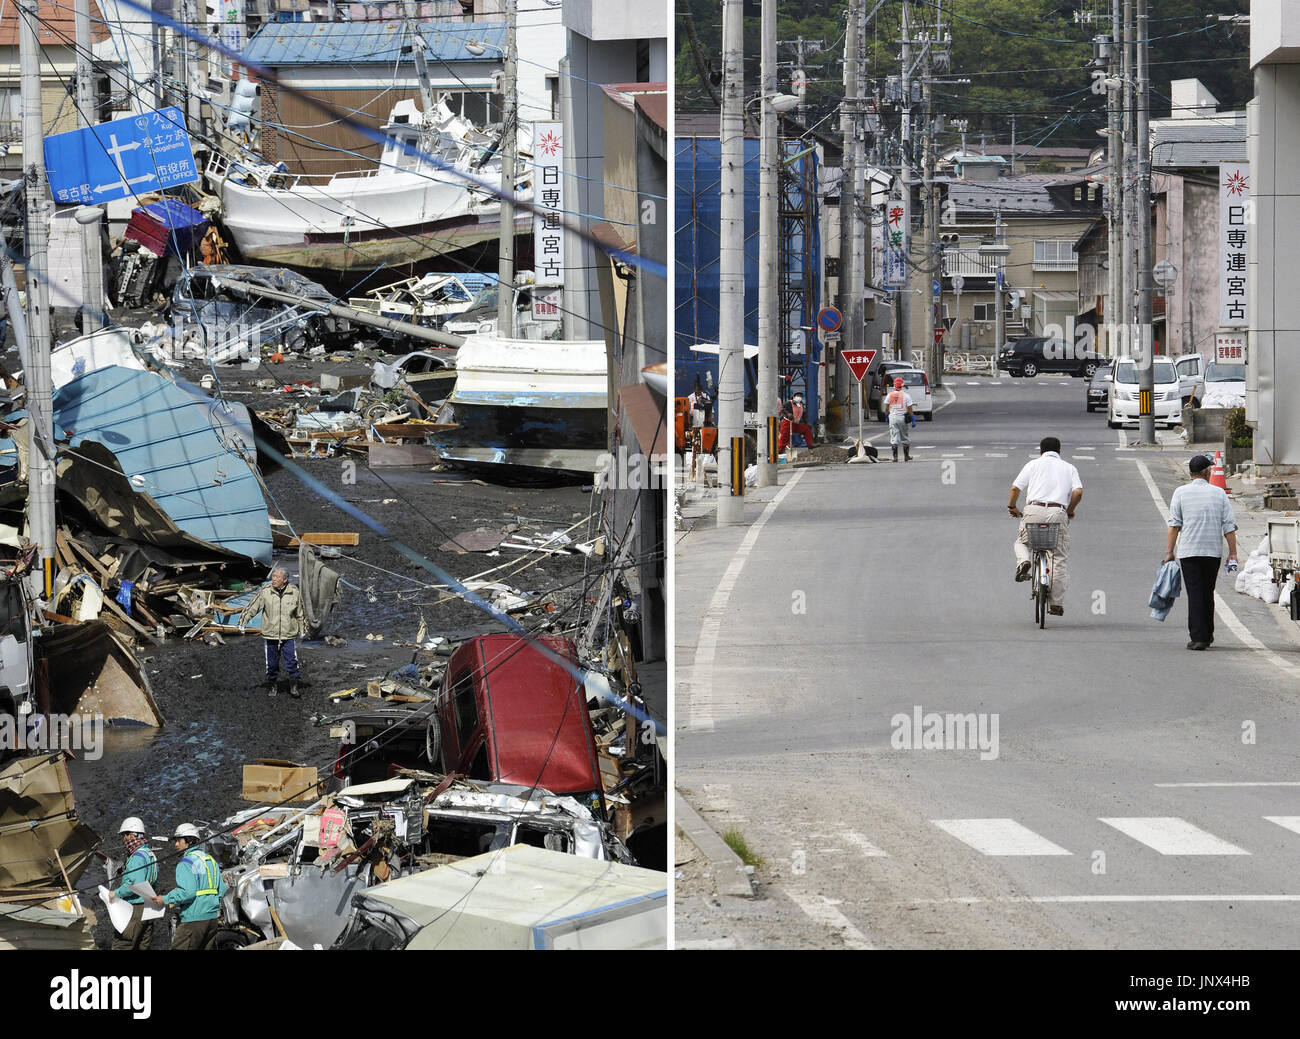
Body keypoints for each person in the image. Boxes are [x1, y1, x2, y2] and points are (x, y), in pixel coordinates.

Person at [1164, 454, 1238, 650]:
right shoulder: (1219, 493)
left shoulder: (1180, 492)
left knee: (1195, 593)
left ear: (1190, 473)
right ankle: (1208, 634)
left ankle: (1198, 637)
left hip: (1189, 552)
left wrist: (1169, 552)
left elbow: (1174, 525)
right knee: (1207, 592)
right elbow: (1229, 526)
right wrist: (1233, 553)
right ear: (1207, 472)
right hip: (1212, 552)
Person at [1008, 437, 1083, 616]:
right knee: (1058, 557)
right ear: (1059, 451)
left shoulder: (1032, 465)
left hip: (1033, 509)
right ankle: (1055, 604)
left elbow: (1015, 489)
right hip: (1057, 512)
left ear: (1040, 451)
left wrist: (1012, 507)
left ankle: (1024, 561)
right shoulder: (1069, 467)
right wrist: (1070, 510)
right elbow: (1078, 491)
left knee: (1021, 542)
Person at [150, 823, 226, 950]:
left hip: (193, 920)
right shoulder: (211, 860)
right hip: (212, 919)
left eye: (179, 840)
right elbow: (222, 890)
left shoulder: (186, 862)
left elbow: (188, 893)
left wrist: (165, 899)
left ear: (189, 841)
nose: (176, 844)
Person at [239, 566, 305, 698]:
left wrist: (303, 629)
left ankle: (294, 687)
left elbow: (300, 613)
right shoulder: (265, 592)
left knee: (292, 661)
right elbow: (252, 607)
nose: (273, 579)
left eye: (277, 577)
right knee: (272, 663)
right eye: (273, 576)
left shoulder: (294, 592)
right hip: (270, 634)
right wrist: (243, 622)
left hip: (289, 634)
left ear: (285, 580)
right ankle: (272, 686)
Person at [107, 816, 158, 951]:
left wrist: (115, 893)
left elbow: (136, 885)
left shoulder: (136, 857)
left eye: (125, 834)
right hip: (151, 906)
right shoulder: (150, 854)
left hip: (136, 908)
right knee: (142, 945)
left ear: (133, 835)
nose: (124, 839)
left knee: (123, 944)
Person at [885, 377, 914, 462]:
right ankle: (906, 456)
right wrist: (913, 419)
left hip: (893, 418)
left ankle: (895, 457)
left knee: (894, 437)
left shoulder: (889, 395)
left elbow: (886, 408)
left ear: (894, 386)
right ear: (902, 386)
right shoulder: (906, 396)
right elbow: (910, 409)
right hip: (902, 418)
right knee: (904, 437)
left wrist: (887, 416)